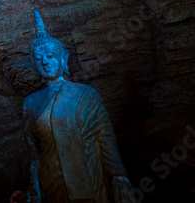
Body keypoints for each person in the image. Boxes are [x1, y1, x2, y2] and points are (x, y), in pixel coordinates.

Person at [22, 11, 131, 203]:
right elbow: (33, 152)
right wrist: (34, 190)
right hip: (53, 178)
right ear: (33, 64)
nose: (45, 62)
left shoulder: (86, 94)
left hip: (88, 172)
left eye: (50, 55)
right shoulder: (30, 102)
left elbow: (104, 136)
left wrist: (118, 174)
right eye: (38, 59)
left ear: (63, 59)